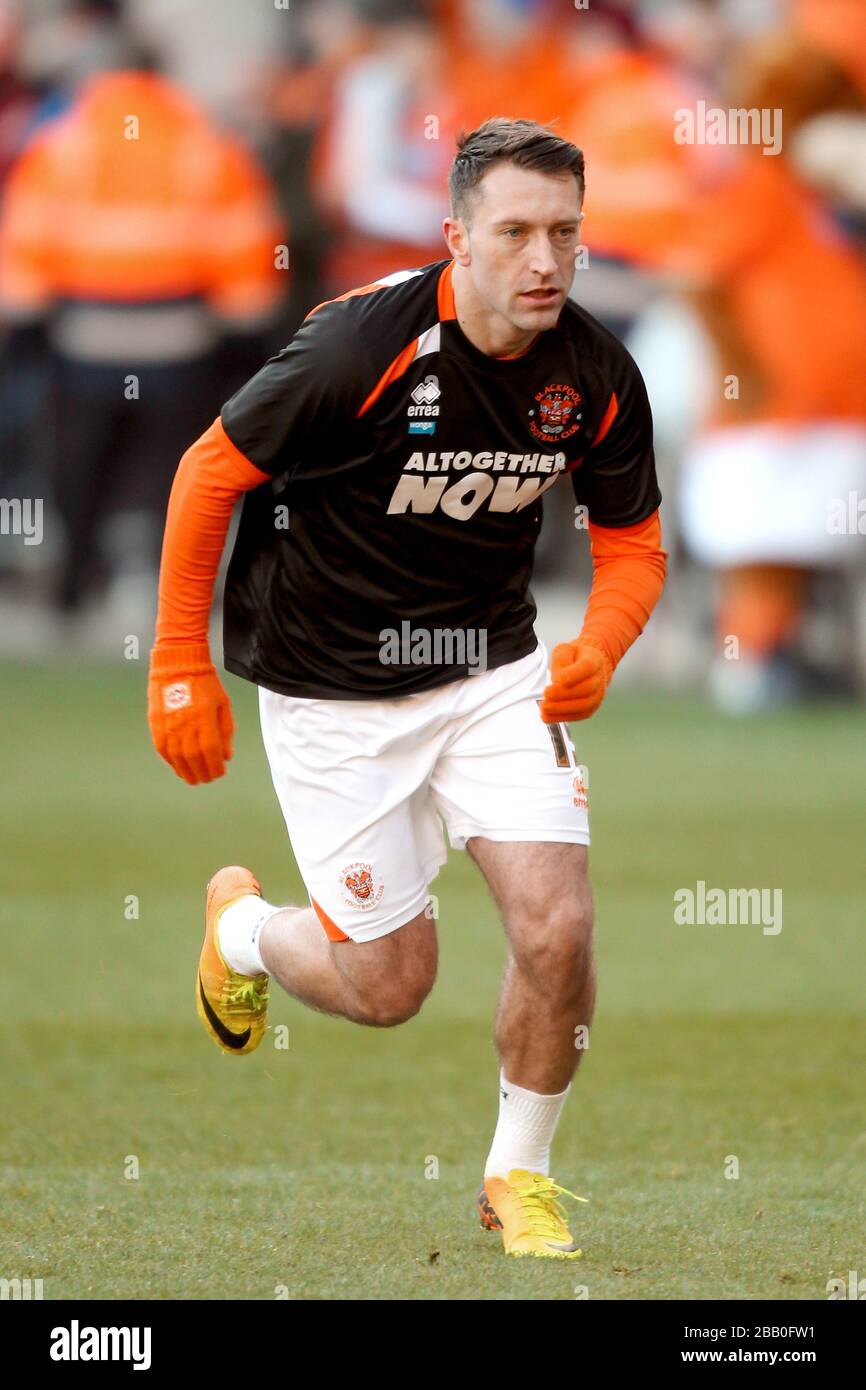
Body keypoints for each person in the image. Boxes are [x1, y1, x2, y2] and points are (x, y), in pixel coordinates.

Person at [147, 118, 667, 1260]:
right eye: (516, 232)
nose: (544, 260)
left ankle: (516, 1174)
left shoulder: (591, 371)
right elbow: (208, 472)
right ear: (455, 239)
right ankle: (240, 931)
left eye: (564, 234)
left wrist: (599, 647)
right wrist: (178, 662)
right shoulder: (358, 350)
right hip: (331, 689)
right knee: (388, 986)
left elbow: (631, 546)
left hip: (491, 670)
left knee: (559, 929)